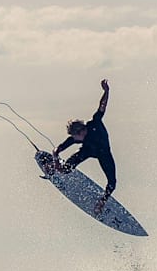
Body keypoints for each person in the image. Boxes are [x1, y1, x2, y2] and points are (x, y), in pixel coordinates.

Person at [50, 79, 117, 209]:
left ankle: (102, 202)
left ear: (80, 132)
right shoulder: (76, 138)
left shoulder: (95, 122)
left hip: (104, 153)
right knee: (65, 169)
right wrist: (55, 159)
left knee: (112, 183)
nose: (74, 139)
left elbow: (102, 106)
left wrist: (106, 91)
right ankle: (53, 168)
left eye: (74, 136)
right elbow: (57, 149)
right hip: (87, 150)